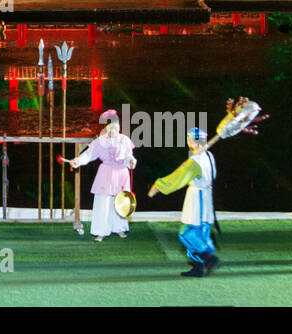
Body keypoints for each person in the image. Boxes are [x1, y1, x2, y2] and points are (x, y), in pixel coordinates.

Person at [148, 127, 219, 277]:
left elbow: (178, 177)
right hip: (206, 197)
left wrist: (158, 186)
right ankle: (198, 268)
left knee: (187, 232)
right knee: (202, 232)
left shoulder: (195, 161)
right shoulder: (209, 156)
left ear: (192, 141)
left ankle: (208, 258)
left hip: (197, 198)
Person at [66, 109, 136, 241]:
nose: (113, 130)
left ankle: (119, 228)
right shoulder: (101, 142)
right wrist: (78, 161)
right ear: (106, 128)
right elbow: (88, 155)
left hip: (121, 174)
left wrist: (132, 162)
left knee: (120, 201)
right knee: (103, 202)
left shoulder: (125, 140)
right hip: (106, 173)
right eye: (110, 127)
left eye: (116, 127)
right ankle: (101, 231)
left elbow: (129, 156)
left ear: (119, 126)